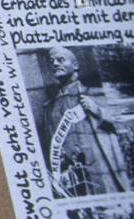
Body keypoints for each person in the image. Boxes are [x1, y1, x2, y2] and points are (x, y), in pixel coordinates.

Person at [42, 47, 130, 197]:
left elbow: (125, 126)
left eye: (60, 60)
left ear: (75, 65)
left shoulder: (97, 94)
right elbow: (51, 146)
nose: (55, 64)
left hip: (103, 169)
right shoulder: (49, 109)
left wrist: (99, 111)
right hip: (73, 176)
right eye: (52, 62)